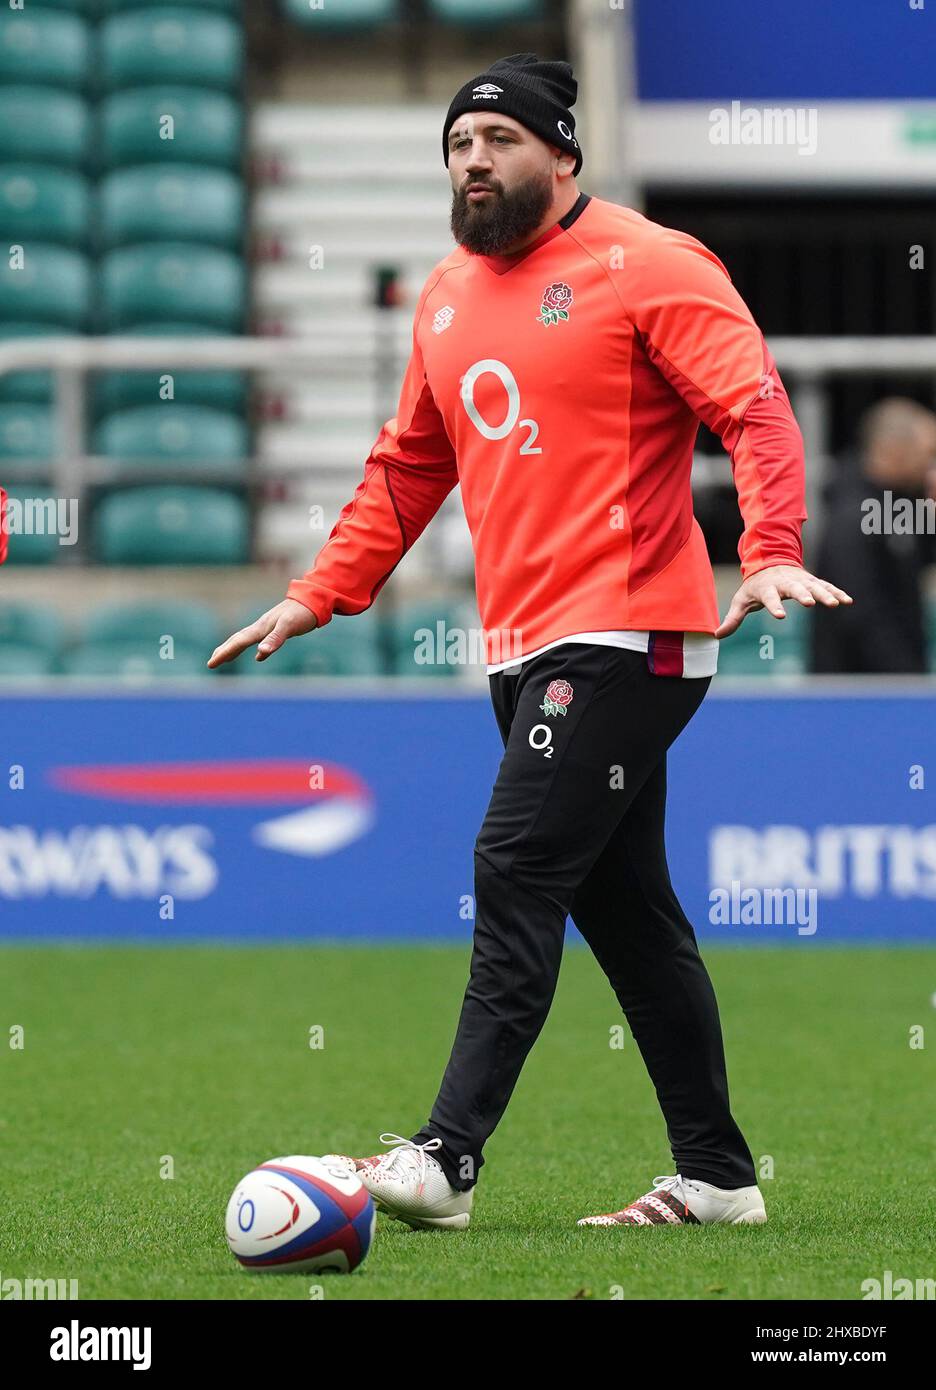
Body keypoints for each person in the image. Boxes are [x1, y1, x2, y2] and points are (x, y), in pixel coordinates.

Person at [209, 53, 851, 1229]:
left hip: (630, 633)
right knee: (630, 915)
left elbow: (751, 401)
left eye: (499, 141)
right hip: (521, 646)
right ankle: (717, 1177)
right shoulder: (447, 297)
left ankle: (446, 1160)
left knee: (512, 865)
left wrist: (767, 549)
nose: (472, 161)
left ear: (561, 154)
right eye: (458, 145)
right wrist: (320, 592)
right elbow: (409, 467)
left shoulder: (650, 261)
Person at [810, 397, 936, 674]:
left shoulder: (898, 506)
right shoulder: (852, 515)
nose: (931, 466)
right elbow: (859, 615)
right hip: (855, 694)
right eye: (928, 454)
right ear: (894, 450)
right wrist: (907, 680)